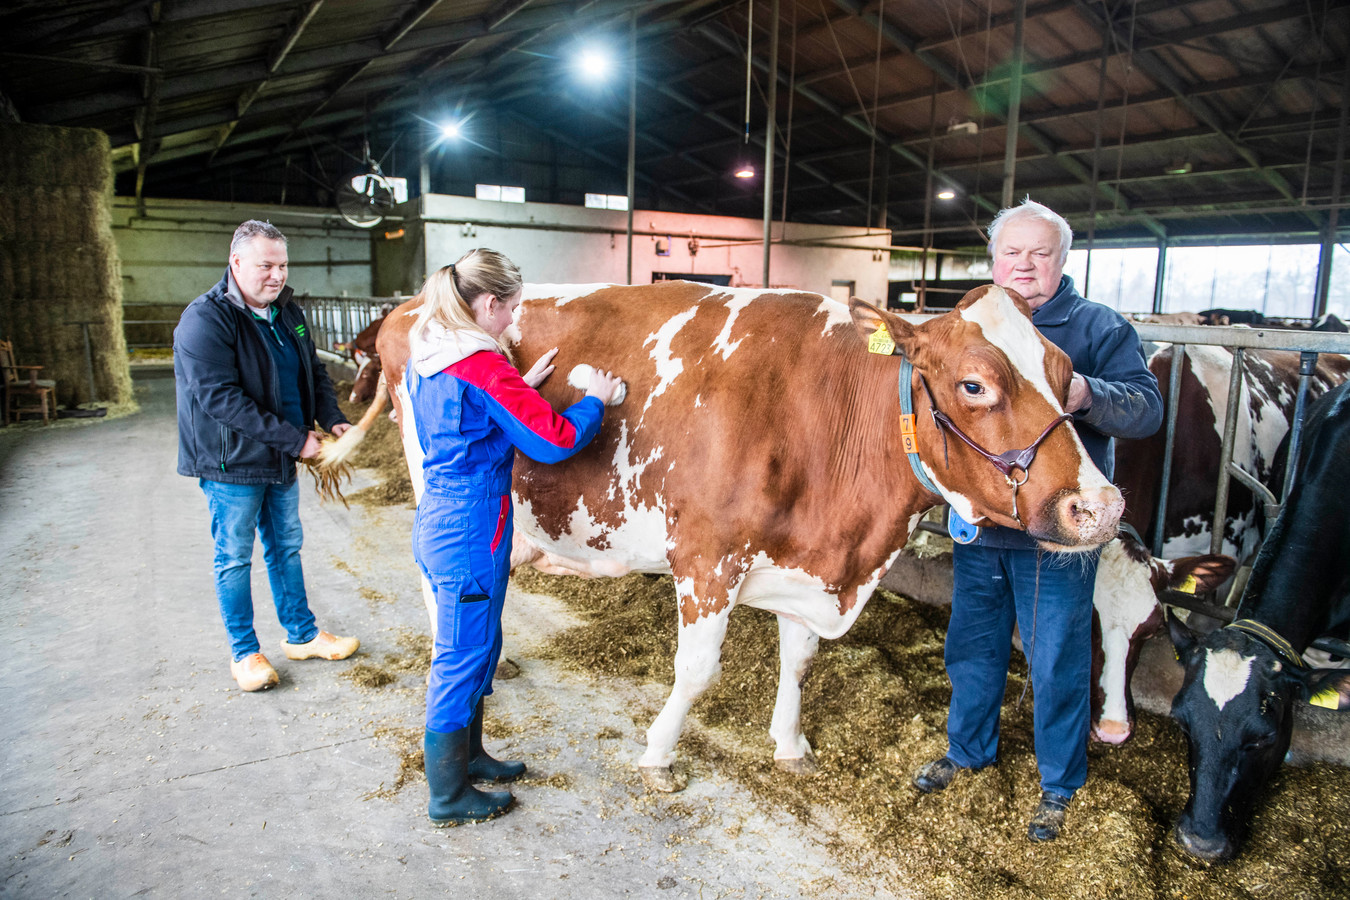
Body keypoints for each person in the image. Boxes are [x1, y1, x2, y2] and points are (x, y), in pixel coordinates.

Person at [911, 199, 1163, 842]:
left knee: (1054, 656)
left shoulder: (1098, 328)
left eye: (1039, 253)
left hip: (1057, 528)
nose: (1024, 264)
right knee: (972, 643)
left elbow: (1147, 411)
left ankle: (1060, 782)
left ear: (1062, 260)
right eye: (1011, 253)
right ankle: (968, 750)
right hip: (984, 522)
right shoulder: (968, 325)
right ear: (994, 261)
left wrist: (1086, 394)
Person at [406, 249, 621, 826]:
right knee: (461, 657)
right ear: (490, 304)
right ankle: (448, 796)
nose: (516, 321)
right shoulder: (481, 362)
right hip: (472, 529)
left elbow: (468, 426)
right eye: (513, 309)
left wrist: (516, 391)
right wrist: (594, 401)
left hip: (444, 515)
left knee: (478, 647)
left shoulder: (428, 349)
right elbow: (552, 441)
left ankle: (471, 756)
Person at [175, 220, 360, 693]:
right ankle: (245, 653)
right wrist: (297, 442)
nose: (276, 275)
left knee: (285, 547)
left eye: (282, 265)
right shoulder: (206, 319)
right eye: (266, 265)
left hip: (278, 456)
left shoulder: (287, 311)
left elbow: (311, 372)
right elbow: (221, 399)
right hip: (230, 462)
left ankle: (301, 635)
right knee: (234, 556)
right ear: (236, 262)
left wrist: (331, 416)